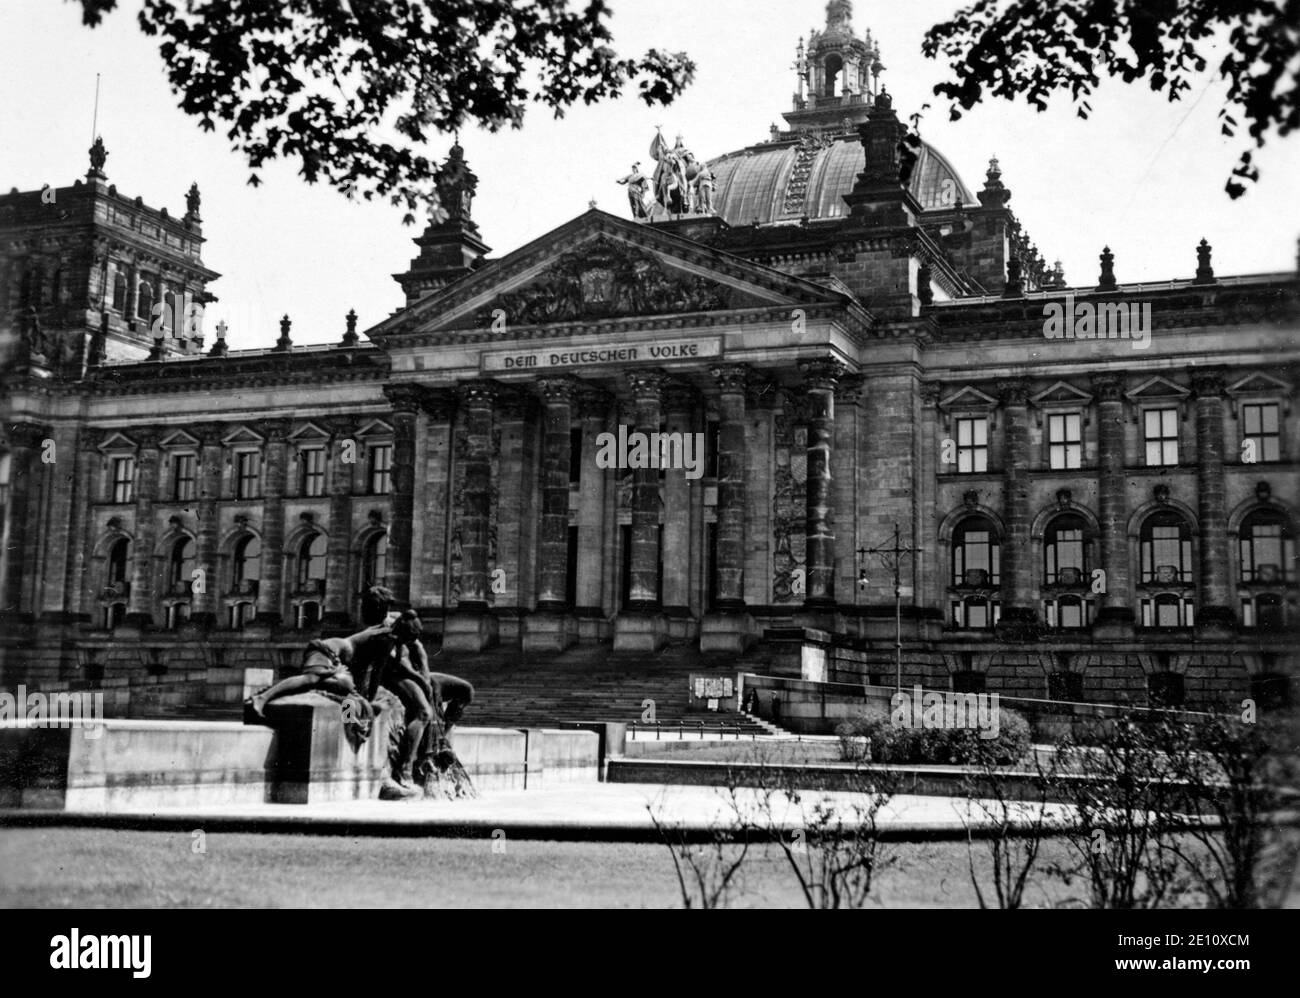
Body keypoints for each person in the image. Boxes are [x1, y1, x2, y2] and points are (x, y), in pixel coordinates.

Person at [243, 621, 396, 721]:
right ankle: (262, 698)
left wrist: (364, 702)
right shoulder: (385, 638)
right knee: (312, 679)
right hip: (326, 650)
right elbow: (375, 674)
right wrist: (369, 701)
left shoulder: (383, 634)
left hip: (337, 663)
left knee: (347, 691)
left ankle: (348, 721)